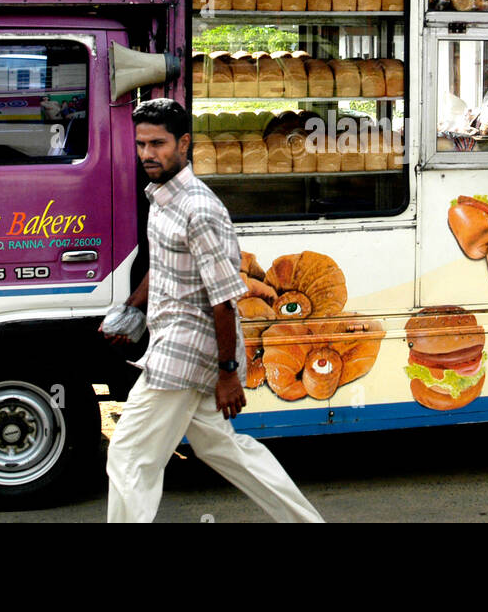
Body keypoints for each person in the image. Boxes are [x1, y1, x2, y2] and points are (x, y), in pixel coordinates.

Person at [103, 98, 324, 522]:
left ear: (183, 143)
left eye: (158, 144)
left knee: (129, 455)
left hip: (187, 351)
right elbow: (165, 267)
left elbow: (224, 296)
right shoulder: (163, 197)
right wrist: (131, 310)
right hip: (176, 341)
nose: (148, 154)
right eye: (141, 144)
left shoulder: (199, 209)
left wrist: (227, 373)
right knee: (222, 448)